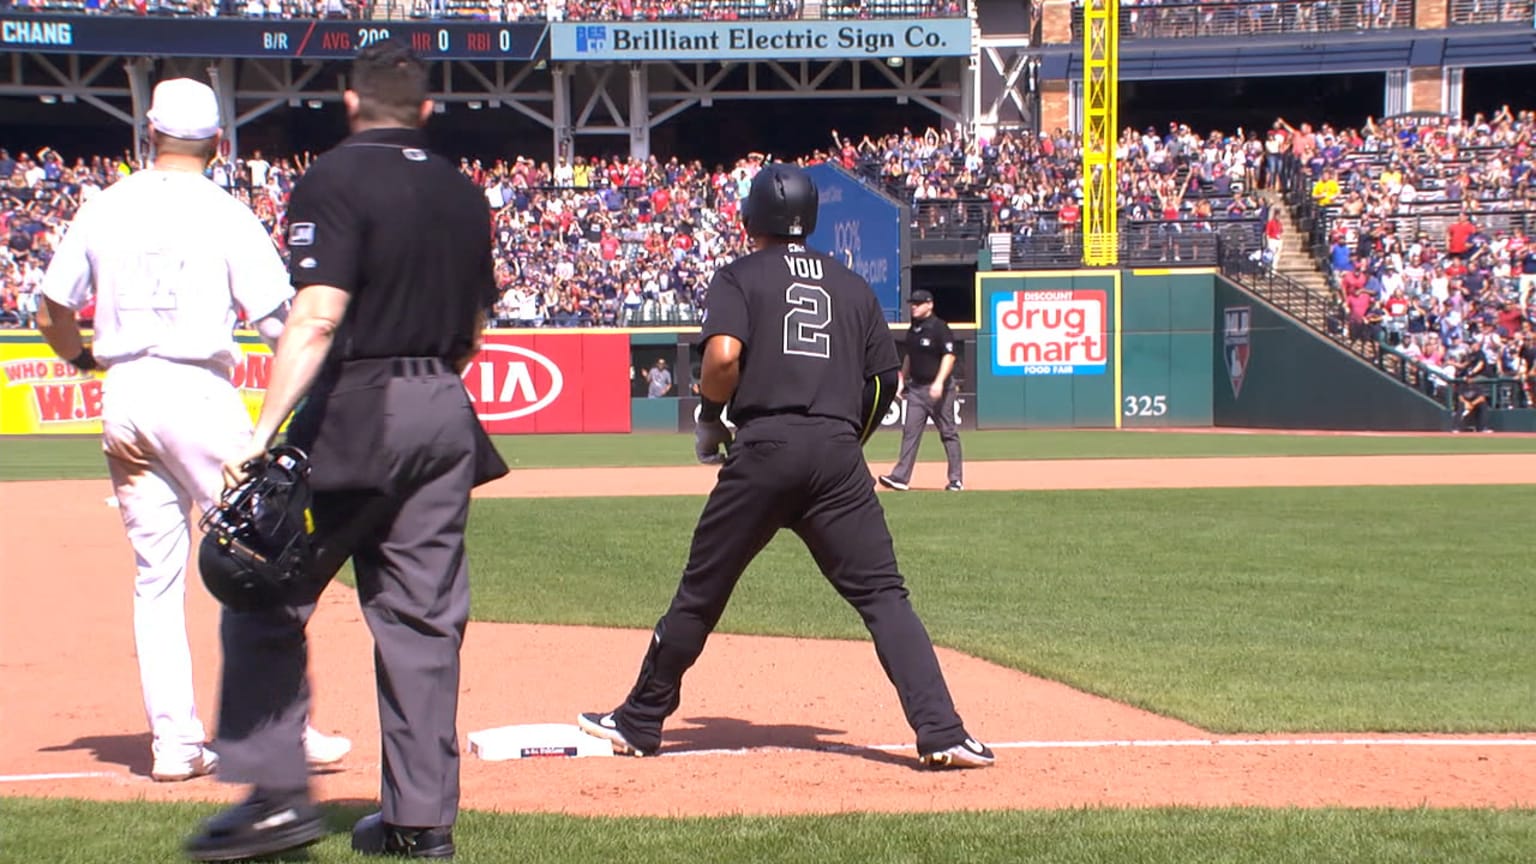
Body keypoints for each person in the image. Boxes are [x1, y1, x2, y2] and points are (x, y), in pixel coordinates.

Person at [184, 41, 507, 862]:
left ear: (351, 101)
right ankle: (420, 823)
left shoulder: (334, 175)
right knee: (424, 621)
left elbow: (318, 315)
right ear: (426, 110)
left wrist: (261, 434)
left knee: (262, 585)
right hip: (445, 404)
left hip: (363, 402)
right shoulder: (467, 194)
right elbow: (472, 330)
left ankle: (274, 799)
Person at [576, 163, 993, 771]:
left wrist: (709, 417)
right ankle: (943, 731)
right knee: (883, 596)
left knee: (701, 593)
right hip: (837, 458)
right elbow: (881, 383)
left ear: (753, 219)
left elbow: (721, 356)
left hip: (765, 449)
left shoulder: (738, 276)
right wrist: (847, 437)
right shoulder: (852, 285)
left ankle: (640, 721)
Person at [34, 77, 350, 786]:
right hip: (195, 392)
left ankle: (175, 744)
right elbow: (280, 321)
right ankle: (282, 726)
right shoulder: (225, 212)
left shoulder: (103, 205)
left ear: (147, 135)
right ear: (218, 142)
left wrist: (80, 356)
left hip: (124, 395)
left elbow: (51, 309)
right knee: (268, 553)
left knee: (156, 579)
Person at [877, 289, 963, 492]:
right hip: (916, 388)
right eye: (912, 303)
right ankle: (900, 477)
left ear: (929, 305)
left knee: (948, 433)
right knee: (910, 432)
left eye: (918, 303)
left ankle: (955, 479)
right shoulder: (913, 329)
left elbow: (949, 357)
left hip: (939, 389)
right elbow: (909, 356)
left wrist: (939, 382)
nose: (913, 306)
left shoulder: (939, 328)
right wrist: (902, 379)